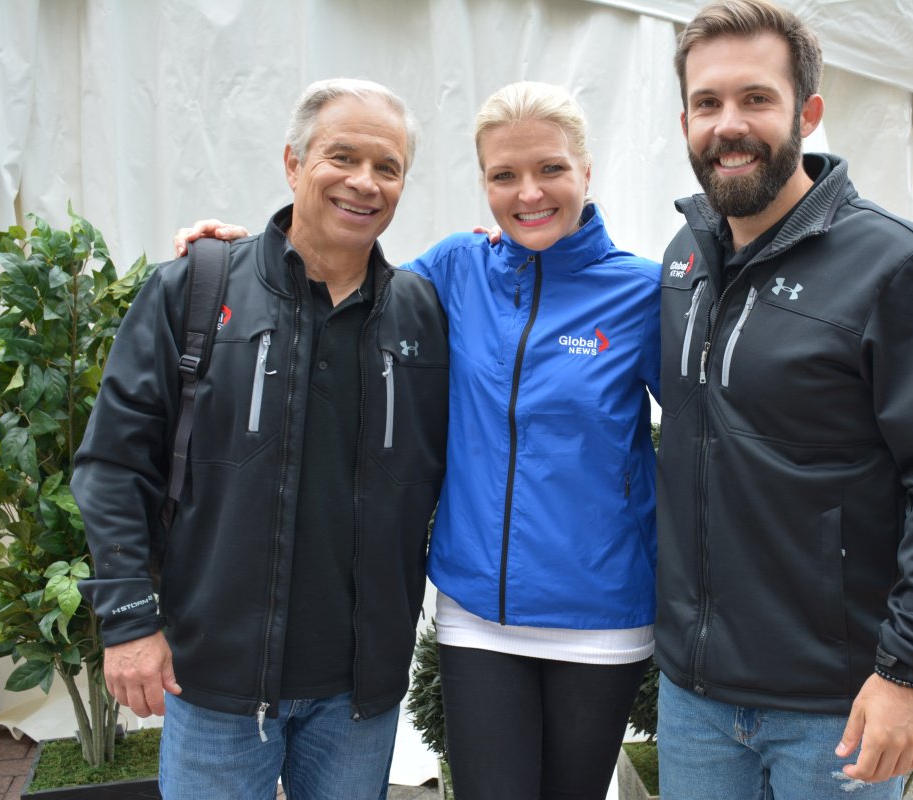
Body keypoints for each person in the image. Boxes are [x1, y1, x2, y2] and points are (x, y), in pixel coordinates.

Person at [177, 81, 661, 800]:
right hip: (476, 616)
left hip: (601, 615)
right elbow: (341, 286)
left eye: (551, 169)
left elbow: (710, 432)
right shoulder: (454, 269)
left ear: (586, 172)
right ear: (484, 183)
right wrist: (240, 256)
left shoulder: (644, 294)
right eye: (504, 174)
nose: (529, 193)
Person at [652, 1, 913, 797]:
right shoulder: (685, 258)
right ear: (685, 122)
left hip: (835, 709)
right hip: (695, 698)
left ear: (807, 113)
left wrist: (908, 672)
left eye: (756, 98)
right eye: (707, 103)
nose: (728, 124)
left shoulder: (900, 268)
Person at [73, 78, 449, 800]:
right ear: (293, 162)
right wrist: (127, 623)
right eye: (343, 157)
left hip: (359, 692)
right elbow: (113, 465)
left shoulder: (422, 312)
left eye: (388, 167)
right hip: (214, 678)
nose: (365, 182)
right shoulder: (195, 288)